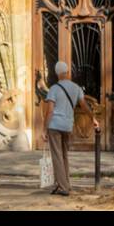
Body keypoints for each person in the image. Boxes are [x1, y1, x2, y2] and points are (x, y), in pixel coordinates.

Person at [42, 60, 99, 197]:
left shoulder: (54, 89)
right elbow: (84, 106)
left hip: (55, 125)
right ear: (67, 72)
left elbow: (49, 111)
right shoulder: (76, 88)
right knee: (64, 156)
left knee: (57, 156)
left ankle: (63, 187)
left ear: (57, 74)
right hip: (68, 125)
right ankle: (65, 183)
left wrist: (44, 129)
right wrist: (93, 119)